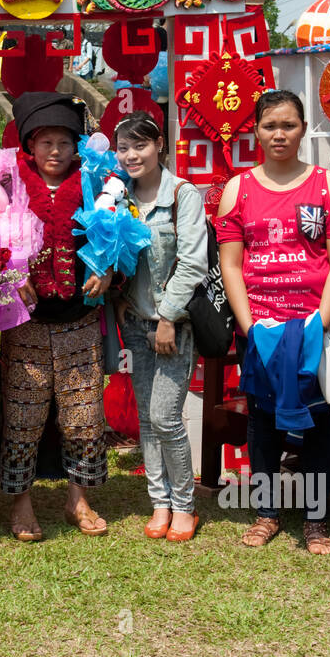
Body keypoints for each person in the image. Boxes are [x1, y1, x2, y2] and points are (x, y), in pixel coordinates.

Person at [215, 89, 330, 555]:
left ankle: (315, 521)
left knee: (318, 423)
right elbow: (230, 265)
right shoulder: (238, 189)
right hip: (262, 329)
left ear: (303, 129)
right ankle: (267, 513)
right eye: (270, 125)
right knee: (263, 423)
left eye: (289, 125)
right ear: (255, 130)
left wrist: (319, 323)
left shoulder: (326, 184)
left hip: (319, 328)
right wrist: (252, 327)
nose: (279, 134)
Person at [0, 92, 114, 541]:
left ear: (77, 146)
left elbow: (120, 237)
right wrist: (9, 276)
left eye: (64, 142)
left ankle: (77, 499)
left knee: (83, 413)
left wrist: (108, 273)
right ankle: (21, 505)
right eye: (45, 142)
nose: (55, 152)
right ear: (30, 145)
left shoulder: (97, 182)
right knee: (22, 415)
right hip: (25, 322)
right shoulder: (7, 185)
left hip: (79, 318)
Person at [113, 112, 207, 542]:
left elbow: (192, 263)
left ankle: (185, 506)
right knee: (147, 422)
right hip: (133, 322)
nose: (131, 155)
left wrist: (168, 317)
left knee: (166, 417)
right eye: (124, 147)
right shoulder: (117, 195)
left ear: (160, 147)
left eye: (140, 145)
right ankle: (160, 503)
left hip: (173, 325)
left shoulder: (183, 195)